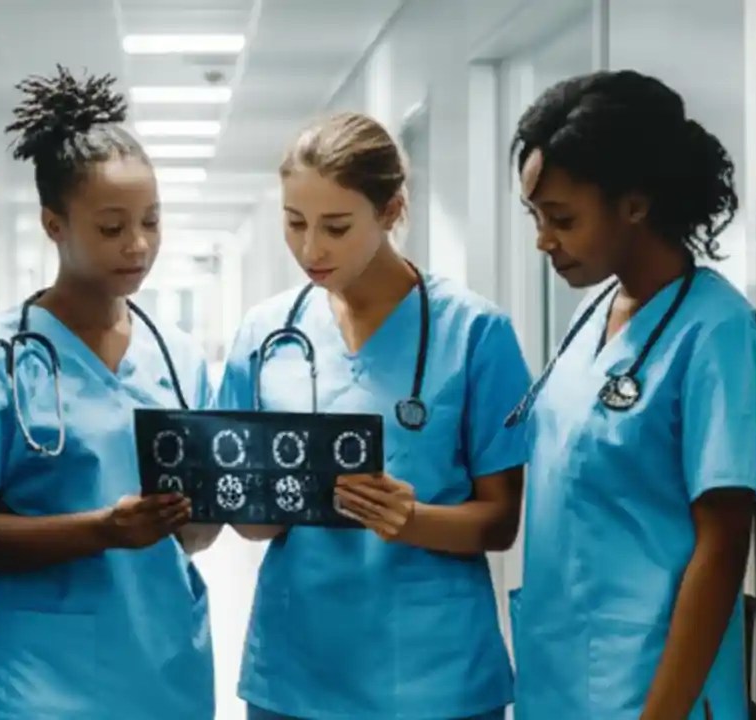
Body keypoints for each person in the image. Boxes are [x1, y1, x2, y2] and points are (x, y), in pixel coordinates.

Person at [216, 111, 532, 720]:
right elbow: (249, 518)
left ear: (391, 211)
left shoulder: (474, 332)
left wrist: (413, 520)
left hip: (433, 676)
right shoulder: (267, 333)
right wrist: (246, 511)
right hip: (296, 669)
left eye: (336, 227)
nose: (311, 249)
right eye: (294, 222)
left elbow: (500, 522)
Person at [0, 67, 219, 719]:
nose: (138, 245)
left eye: (151, 221)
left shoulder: (178, 357)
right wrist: (102, 530)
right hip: (42, 677)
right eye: (112, 228)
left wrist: (202, 517)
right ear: (53, 224)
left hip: (165, 663)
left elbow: (196, 533)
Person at [508, 69, 756, 720]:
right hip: (559, 681)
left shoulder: (716, 330)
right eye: (536, 217)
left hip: (650, 690)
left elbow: (724, 541)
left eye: (562, 218)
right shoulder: (588, 316)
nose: (543, 239)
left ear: (635, 204)